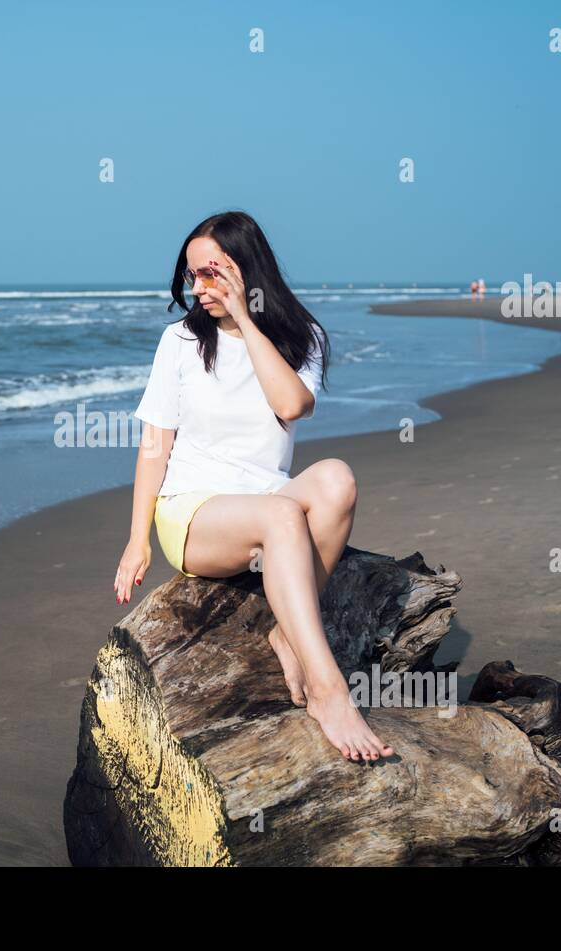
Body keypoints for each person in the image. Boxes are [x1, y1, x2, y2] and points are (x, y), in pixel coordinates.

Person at [114, 210, 394, 763]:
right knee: (283, 517)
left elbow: (291, 406)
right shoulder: (179, 342)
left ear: (246, 268)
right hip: (194, 513)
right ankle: (329, 690)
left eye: (213, 273)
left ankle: (287, 635)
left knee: (336, 477)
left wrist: (245, 317)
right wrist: (137, 538)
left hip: (266, 501)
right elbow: (155, 446)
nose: (200, 288)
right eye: (193, 276)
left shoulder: (301, 335)